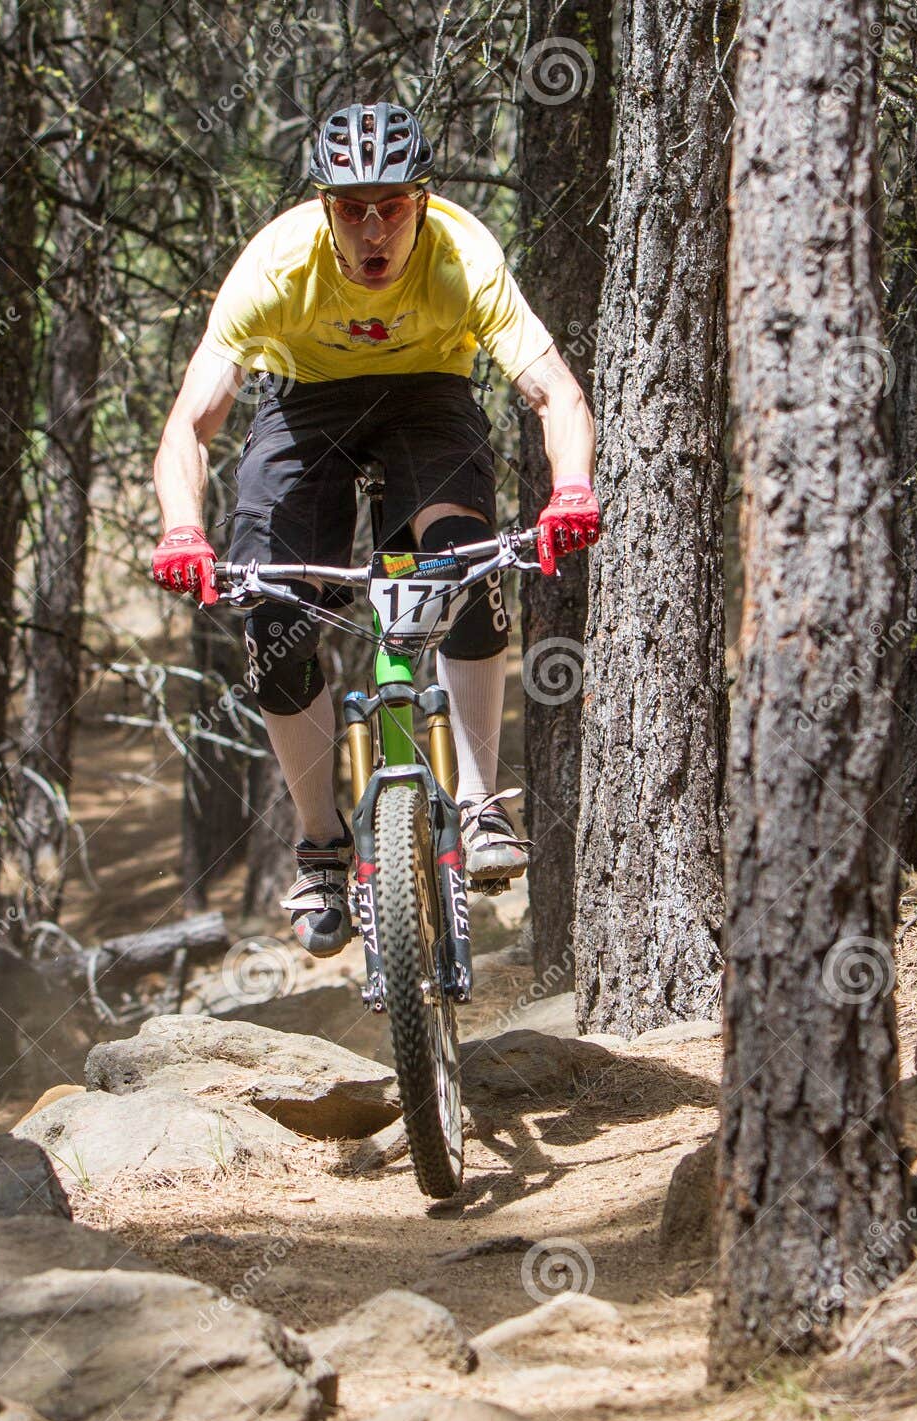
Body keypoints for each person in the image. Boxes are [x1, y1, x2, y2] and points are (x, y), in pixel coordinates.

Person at [153, 101, 599, 957]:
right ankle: (321, 844)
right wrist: (182, 530)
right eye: (350, 207)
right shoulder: (275, 270)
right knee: (275, 613)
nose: (371, 228)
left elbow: (556, 394)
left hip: (428, 399)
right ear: (322, 208)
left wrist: (571, 490)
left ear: (423, 202)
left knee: (459, 568)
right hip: (301, 408)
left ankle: (477, 800)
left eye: (391, 204)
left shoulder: (465, 259)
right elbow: (189, 426)